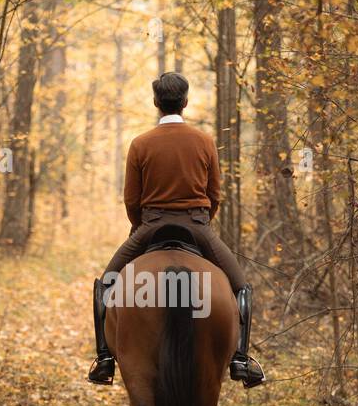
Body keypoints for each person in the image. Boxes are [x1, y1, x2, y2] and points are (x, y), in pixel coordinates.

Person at [89, 71, 265, 388]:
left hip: (150, 226)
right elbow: (215, 196)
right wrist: (201, 220)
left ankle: (104, 359)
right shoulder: (204, 142)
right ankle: (241, 359)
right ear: (185, 102)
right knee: (241, 288)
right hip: (198, 226)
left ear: (157, 103)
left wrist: (140, 226)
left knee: (106, 285)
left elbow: (131, 199)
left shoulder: (140, 144)